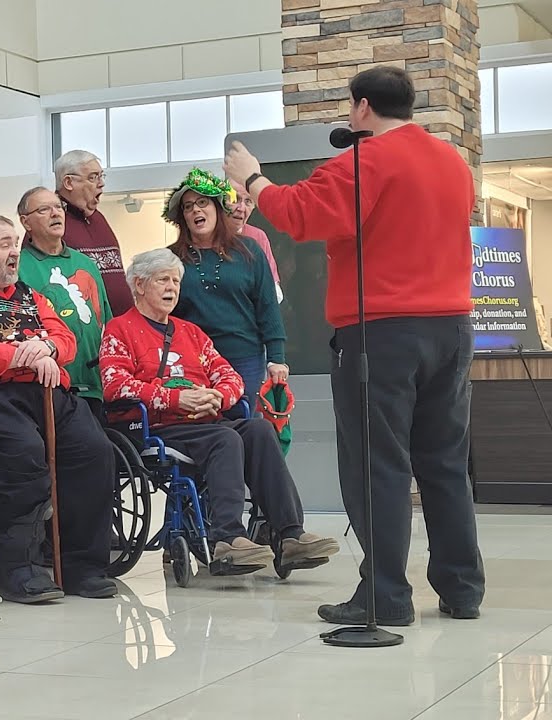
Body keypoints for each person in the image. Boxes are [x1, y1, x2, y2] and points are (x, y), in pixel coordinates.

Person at [224, 65, 485, 625]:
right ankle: (462, 590)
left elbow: (298, 215)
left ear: (362, 107)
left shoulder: (362, 161)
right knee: (443, 463)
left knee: (377, 465)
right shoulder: (451, 163)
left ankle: (385, 596)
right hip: (453, 327)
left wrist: (252, 179)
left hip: (382, 332)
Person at [99, 249, 339, 574]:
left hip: (204, 420)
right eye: (163, 280)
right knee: (226, 438)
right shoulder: (120, 329)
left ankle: (289, 534)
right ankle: (227, 538)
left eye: (175, 281)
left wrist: (218, 397)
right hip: (155, 427)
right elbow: (115, 385)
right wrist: (176, 399)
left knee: (259, 429)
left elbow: (230, 377)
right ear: (139, 285)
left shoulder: (191, 333)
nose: (172, 288)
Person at [0, 215, 117, 603]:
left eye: (15, 244)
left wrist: (50, 349)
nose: (15, 252)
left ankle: (82, 566)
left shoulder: (30, 294)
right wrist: (24, 358)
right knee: (24, 458)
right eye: (4, 244)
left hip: (48, 388)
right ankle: (20, 570)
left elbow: (64, 337)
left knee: (95, 453)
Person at [163, 168, 287, 398]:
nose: (195, 210)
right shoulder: (170, 259)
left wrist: (276, 358)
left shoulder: (249, 250)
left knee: (244, 425)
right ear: (183, 218)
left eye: (202, 202)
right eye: (188, 207)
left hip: (245, 358)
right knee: (202, 426)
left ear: (218, 209)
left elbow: (268, 306)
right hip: (192, 361)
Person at [17, 186, 113, 420]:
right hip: (49, 386)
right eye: (44, 209)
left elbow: (106, 320)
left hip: (93, 384)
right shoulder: (18, 266)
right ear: (26, 222)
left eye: (58, 207)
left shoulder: (85, 263)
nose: (55, 213)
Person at [54, 150, 131, 315]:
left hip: (118, 327)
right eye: (93, 177)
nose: (101, 183)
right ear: (69, 182)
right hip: (83, 328)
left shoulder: (98, 219)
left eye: (102, 176)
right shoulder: (52, 223)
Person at [228, 181, 282, 302]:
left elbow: (275, 292)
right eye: (234, 199)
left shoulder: (258, 237)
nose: (241, 208)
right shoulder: (207, 235)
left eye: (248, 201)